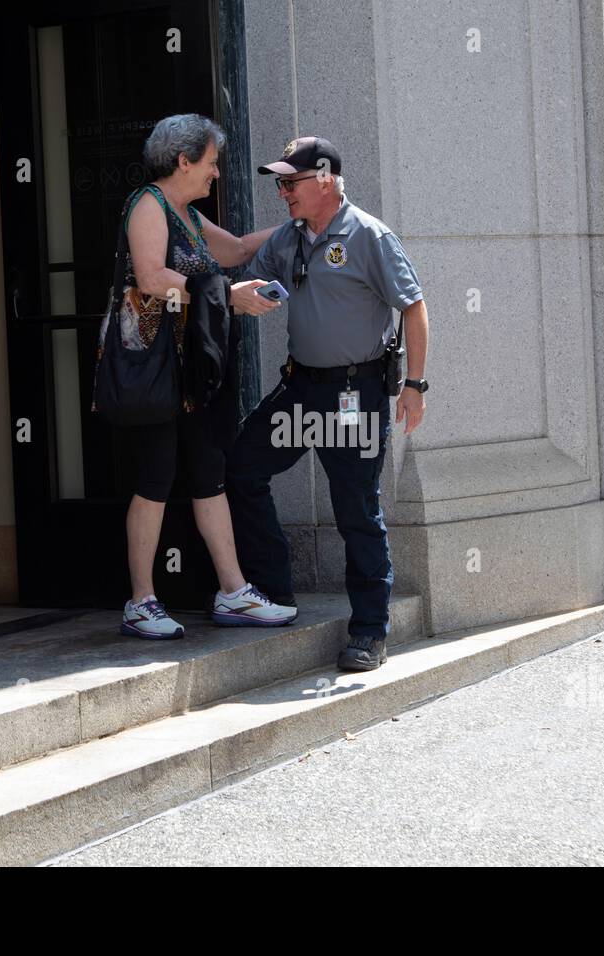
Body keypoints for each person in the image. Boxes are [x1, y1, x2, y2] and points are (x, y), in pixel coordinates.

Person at [226, 136, 429, 671]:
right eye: (279, 183)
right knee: (242, 467)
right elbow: (250, 269)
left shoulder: (369, 235)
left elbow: (413, 307)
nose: (282, 192)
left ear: (325, 179)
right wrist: (244, 293)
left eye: (290, 182)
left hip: (352, 396)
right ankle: (274, 594)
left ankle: (368, 633)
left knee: (355, 509)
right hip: (301, 389)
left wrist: (416, 384)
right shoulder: (290, 238)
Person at [106, 114, 296, 639]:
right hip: (156, 367)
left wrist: (301, 222)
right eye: (211, 163)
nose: (216, 174)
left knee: (209, 471)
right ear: (184, 160)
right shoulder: (148, 204)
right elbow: (150, 278)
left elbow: (233, 250)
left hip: (191, 368)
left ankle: (233, 592)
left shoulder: (185, 213)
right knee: (156, 477)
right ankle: (141, 601)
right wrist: (225, 296)